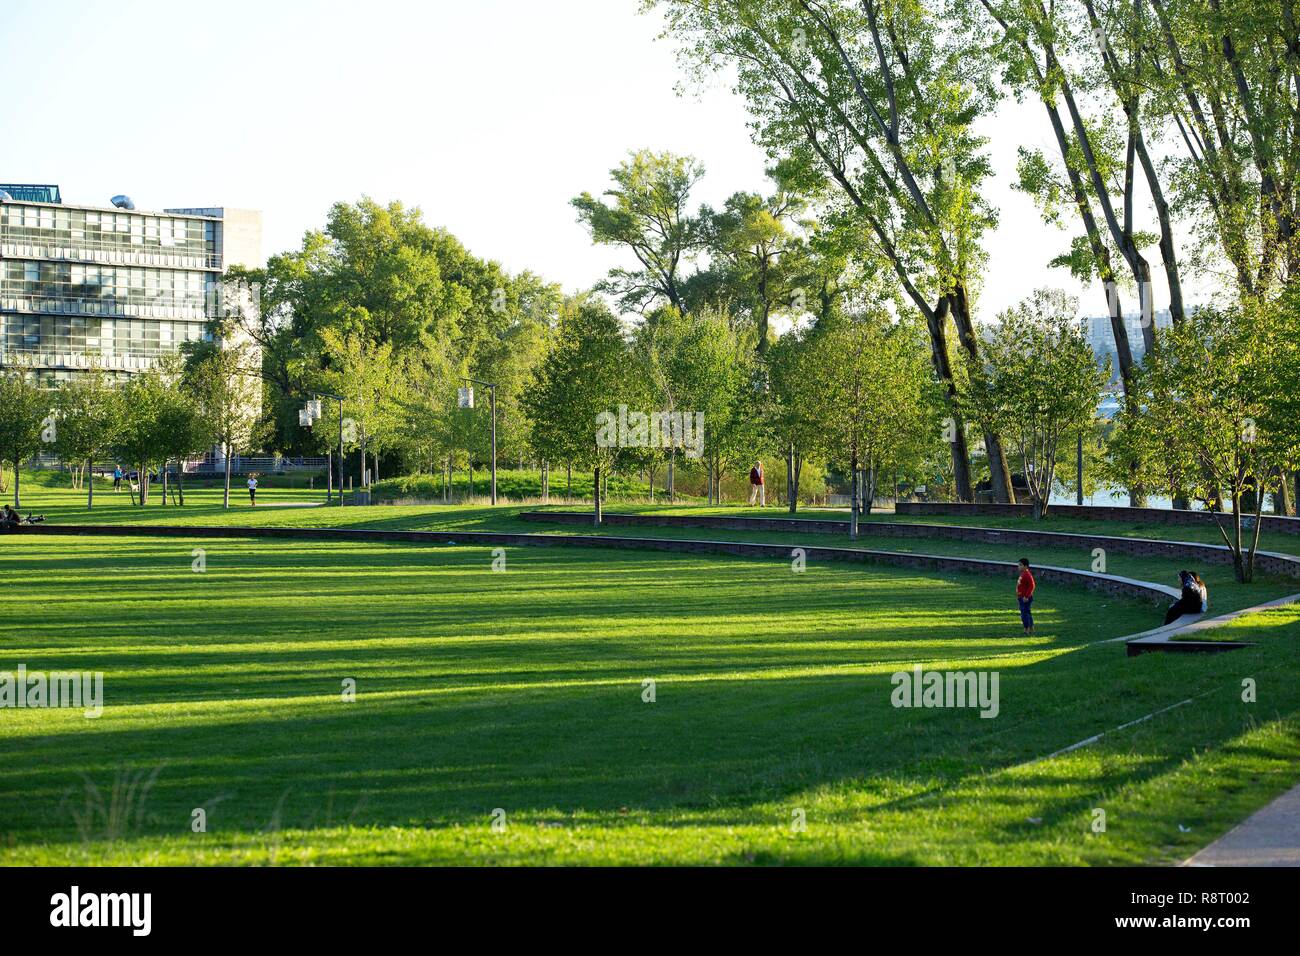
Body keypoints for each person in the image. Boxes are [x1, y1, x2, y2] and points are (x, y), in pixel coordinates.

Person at [1016, 558, 1036, 635]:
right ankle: (1031, 628)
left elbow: (1032, 585)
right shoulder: (1023, 573)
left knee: (1024, 614)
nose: (1018, 566)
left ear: (1026, 566)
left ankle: (1026, 628)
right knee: (1027, 612)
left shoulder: (1027, 574)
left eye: (1020, 565)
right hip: (1021, 597)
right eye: (1018, 565)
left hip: (1025, 598)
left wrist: (1026, 596)